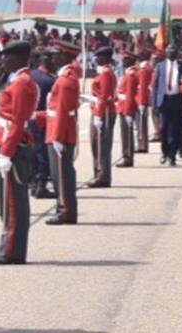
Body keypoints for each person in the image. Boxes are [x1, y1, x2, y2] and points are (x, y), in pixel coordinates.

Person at [0, 41, 38, 266]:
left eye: (7, 58)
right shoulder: (20, 80)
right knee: (10, 200)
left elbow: (17, 121)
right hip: (8, 138)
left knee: (12, 201)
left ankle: (11, 250)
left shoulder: (21, 83)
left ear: (18, 58)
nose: (4, 62)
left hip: (13, 146)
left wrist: (6, 153)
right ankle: (11, 247)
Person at [44, 42, 82, 226]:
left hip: (60, 132)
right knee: (60, 173)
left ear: (66, 56)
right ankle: (64, 207)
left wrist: (57, 137)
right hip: (58, 128)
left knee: (61, 174)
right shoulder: (65, 77)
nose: (53, 57)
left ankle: (65, 210)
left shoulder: (65, 79)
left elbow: (62, 109)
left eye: (57, 54)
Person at [151, 44, 182, 166]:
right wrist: (154, 104)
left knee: (175, 129)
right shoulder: (160, 66)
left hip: (177, 100)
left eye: (173, 50)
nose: (171, 52)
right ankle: (164, 152)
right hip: (164, 100)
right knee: (163, 128)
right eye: (169, 50)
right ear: (166, 53)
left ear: (176, 53)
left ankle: (172, 156)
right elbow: (155, 86)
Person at [28, 49, 56, 198]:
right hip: (43, 120)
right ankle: (41, 185)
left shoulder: (29, 76)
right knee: (43, 153)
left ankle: (33, 182)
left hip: (29, 119)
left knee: (32, 152)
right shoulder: (50, 80)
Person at [88, 47, 117, 187]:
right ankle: (100, 174)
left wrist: (98, 115)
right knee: (98, 145)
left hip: (103, 112)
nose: (97, 59)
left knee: (101, 145)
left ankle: (102, 176)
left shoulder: (105, 73)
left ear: (105, 58)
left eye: (99, 57)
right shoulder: (105, 72)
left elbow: (104, 96)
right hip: (101, 109)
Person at [116, 54, 139, 168]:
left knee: (126, 134)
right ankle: (127, 155)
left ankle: (127, 156)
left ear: (131, 61)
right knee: (125, 133)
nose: (123, 61)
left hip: (126, 106)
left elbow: (130, 94)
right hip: (123, 105)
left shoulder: (130, 75)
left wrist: (128, 112)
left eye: (125, 59)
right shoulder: (129, 73)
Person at [135, 50, 153, 153]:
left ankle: (142, 145)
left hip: (141, 99)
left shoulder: (143, 70)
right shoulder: (145, 68)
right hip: (142, 98)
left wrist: (141, 102)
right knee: (141, 124)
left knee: (141, 125)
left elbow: (142, 87)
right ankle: (142, 144)